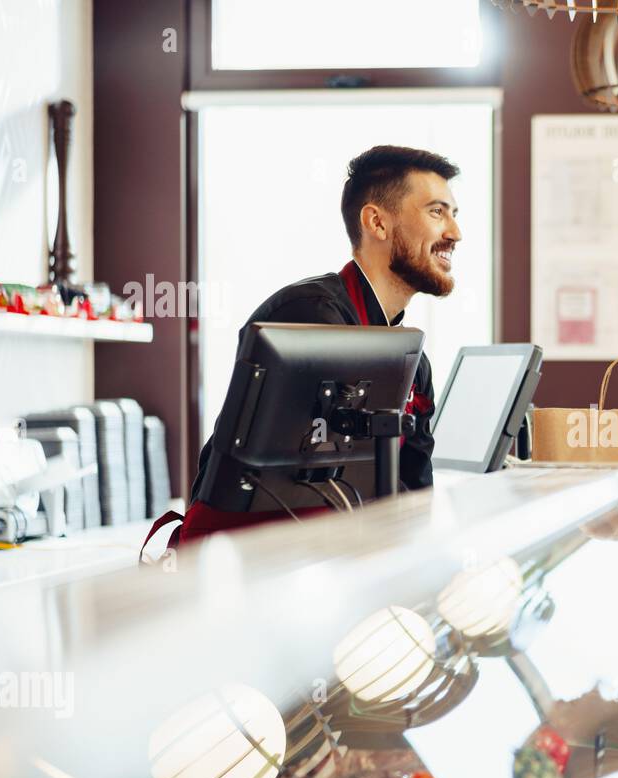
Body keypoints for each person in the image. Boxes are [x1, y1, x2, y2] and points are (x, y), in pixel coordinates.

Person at [176, 145, 463, 545]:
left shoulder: (415, 364)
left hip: (336, 564)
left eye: (453, 214)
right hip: (253, 567)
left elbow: (413, 495)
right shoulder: (308, 316)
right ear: (377, 223)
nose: (454, 232)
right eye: (437, 211)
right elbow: (287, 488)